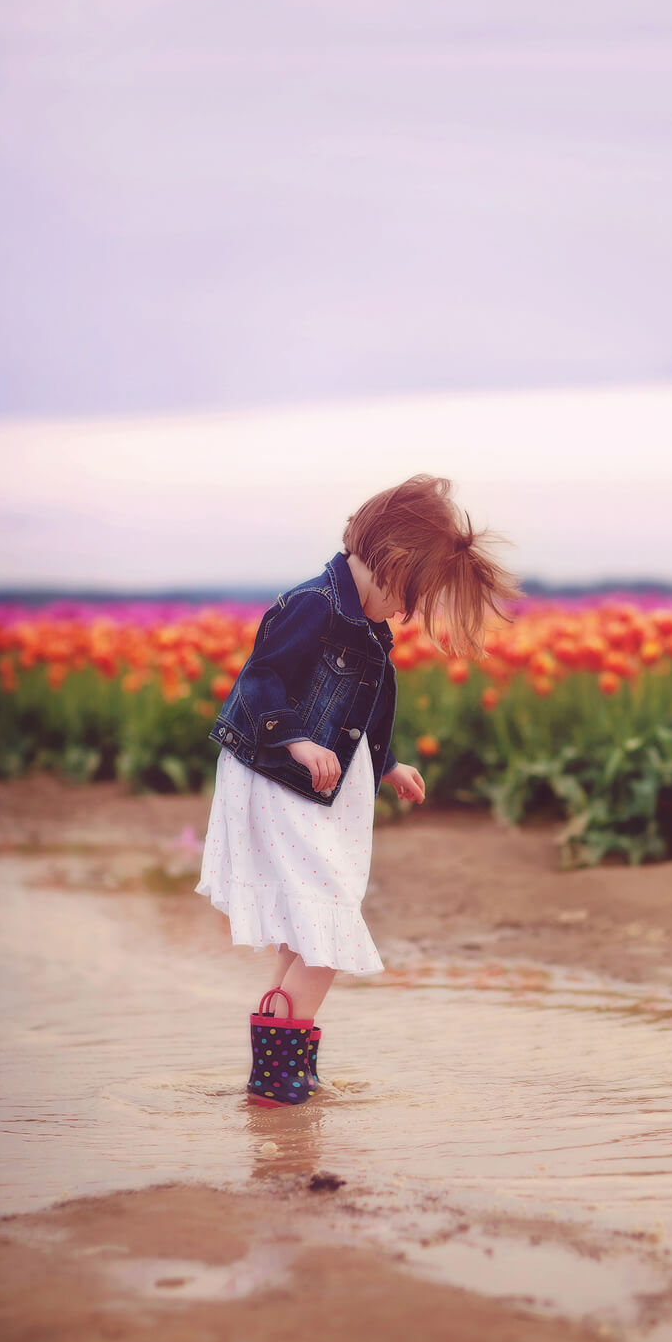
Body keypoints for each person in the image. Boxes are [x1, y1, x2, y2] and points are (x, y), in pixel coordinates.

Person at [195, 474, 522, 1106]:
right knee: (327, 924)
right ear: (392, 562)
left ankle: (285, 1063)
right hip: (281, 776)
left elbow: (361, 710)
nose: (407, 613)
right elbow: (261, 680)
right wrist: (294, 740)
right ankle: (277, 1076)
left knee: (307, 922)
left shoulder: (369, 626)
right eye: (411, 596)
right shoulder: (314, 605)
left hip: (325, 784)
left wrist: (390, 763)